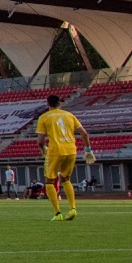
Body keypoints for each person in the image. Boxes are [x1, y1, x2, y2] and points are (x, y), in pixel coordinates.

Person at [34, 93, 92, 222]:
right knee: (66, 179)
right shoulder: (69, 115)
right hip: (71, 150)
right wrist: (88, 150)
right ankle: (72, 208)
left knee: (49, 181)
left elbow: (40, 141)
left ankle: (57, 213)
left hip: (55, 151)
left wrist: (43, 150)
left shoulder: (44, 117)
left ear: (47, 104)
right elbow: (84, 134)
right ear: (60, 103)